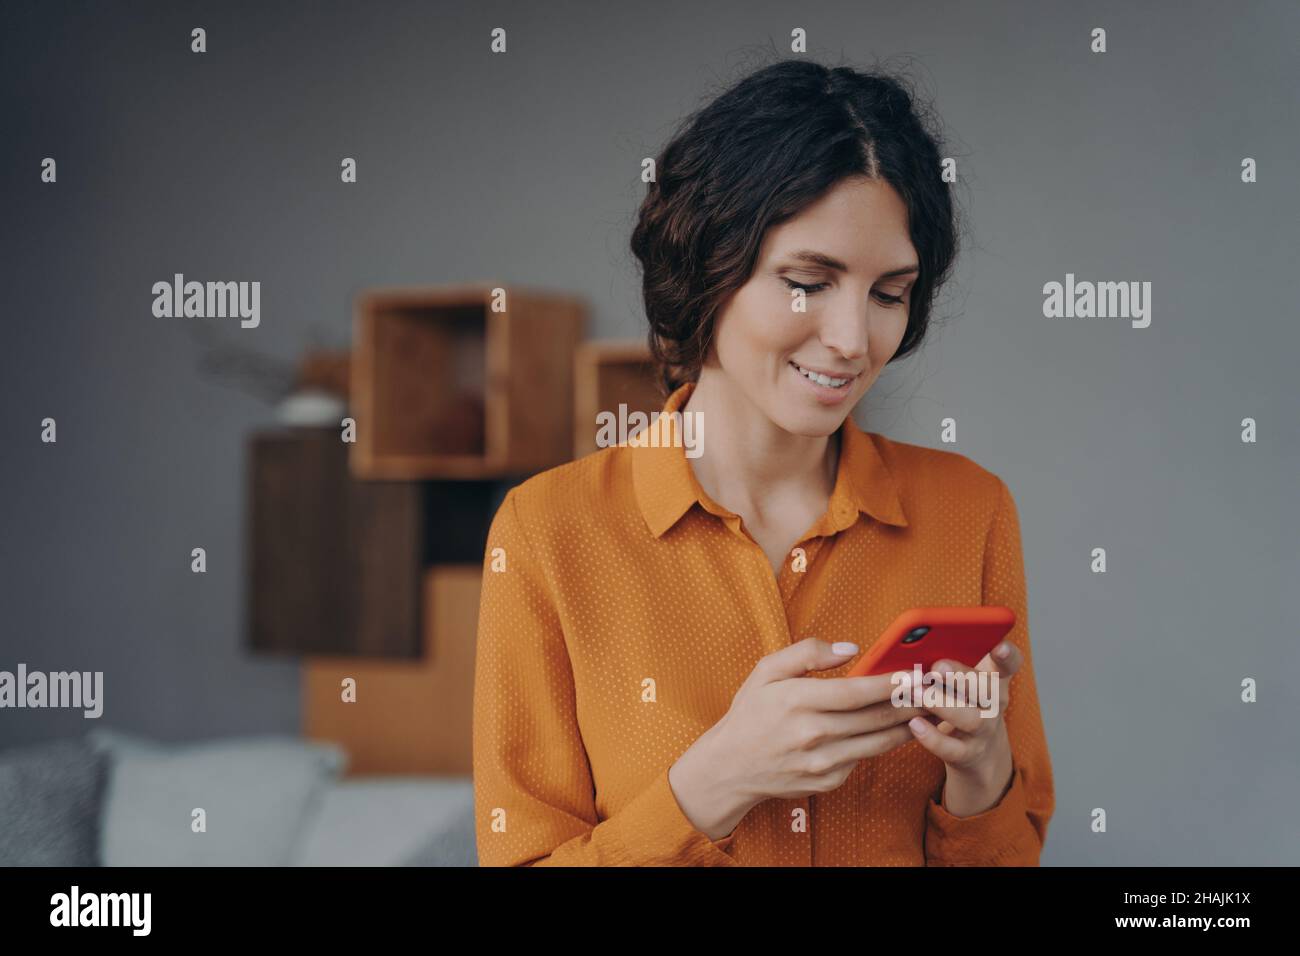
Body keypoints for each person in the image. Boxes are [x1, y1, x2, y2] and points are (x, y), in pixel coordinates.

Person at [472, 58, 1054, 866]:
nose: (854, 339)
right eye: (808, 282)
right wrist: (716, 781)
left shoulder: (971, 511)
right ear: (709, 267)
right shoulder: (547, 533)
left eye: (890, 293)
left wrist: (982, 767)